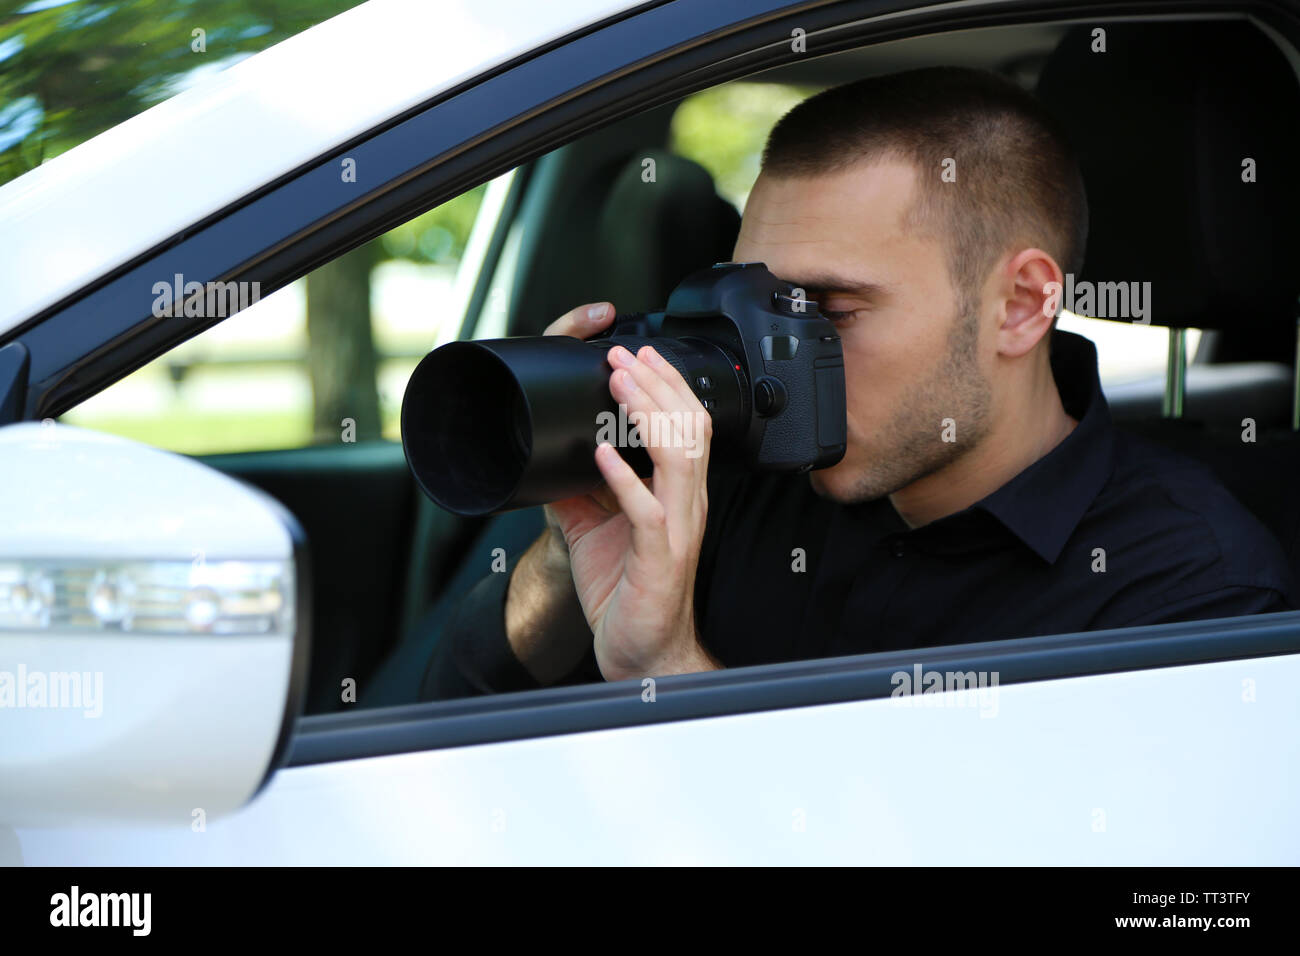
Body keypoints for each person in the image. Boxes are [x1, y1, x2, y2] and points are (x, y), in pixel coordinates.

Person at [420, 67, 1296, 699]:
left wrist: (674, 676)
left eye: (827, 311)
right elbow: (439, 715)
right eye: (759, 305)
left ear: (1021, 306)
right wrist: (573, 548)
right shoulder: (731, 485)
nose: (774, 358)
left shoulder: (1190, 600)